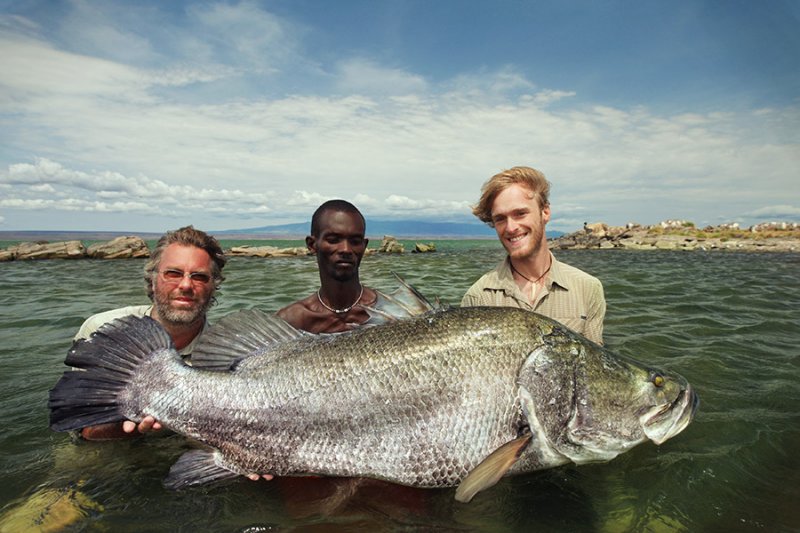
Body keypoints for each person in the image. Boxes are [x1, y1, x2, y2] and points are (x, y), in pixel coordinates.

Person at [75, 225, 226, 440]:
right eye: (173, 273)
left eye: (199, 277)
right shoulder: (104, 330)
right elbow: (84, 427)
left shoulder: (227, 356)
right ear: (153, 281)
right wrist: (129, 423)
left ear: (213, 286)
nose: (185, 285)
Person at [461, 166, 606, 344]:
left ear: (545, 212)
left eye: (520, 213)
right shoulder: (477, 297)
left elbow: (595, 358)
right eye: (500, 219)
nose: (511, 227)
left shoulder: (587, 288)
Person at [277, 199, 379, 333]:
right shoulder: (291, 322)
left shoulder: (389, 313)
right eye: (333, 240)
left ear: (364, 246)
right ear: (312, 245)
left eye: (355, 241)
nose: (346, 249)